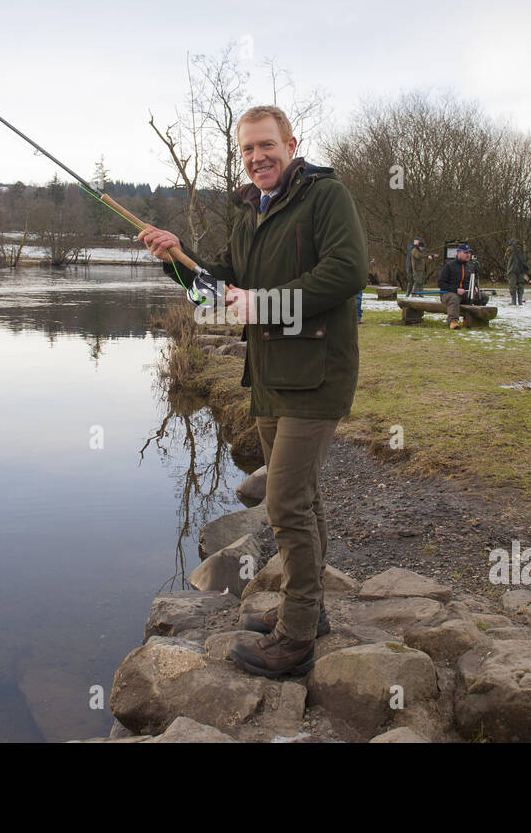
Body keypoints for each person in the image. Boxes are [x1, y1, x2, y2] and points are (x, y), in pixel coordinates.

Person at [138, 105, 366, 679]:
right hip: (268, 377)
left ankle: (295, 641)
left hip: (317, 376)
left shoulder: (325, 197)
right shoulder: (251, 212)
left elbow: (347, 272)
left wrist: (265, 303)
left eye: (266, 146)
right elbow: (214, 290)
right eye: (246, 150)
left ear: (291, 144)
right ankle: (306, 613)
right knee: (304, 500)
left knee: (286, 502)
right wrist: (174, 258)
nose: (257, 157)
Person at [437, 244, 486, 329]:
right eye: (465, 252)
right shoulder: (449, 266)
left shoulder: (469, 268)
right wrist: (456, 290)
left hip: (464, 294)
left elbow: (470, 283)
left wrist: (474, 288)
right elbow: (441, 283)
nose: (468, 255)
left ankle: (472, 318)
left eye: (469, 253)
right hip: (448, 293)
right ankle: (453, 321)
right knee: (454, 298)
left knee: (483, 297)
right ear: (458, 253)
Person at [505, 239, 530, 306]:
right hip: (521, 270)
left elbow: (506, 258)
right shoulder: (523, 249)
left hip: (512, 270)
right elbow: (527, 258)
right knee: (520, 285)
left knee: (512, 285)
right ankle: (520, 301)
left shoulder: (510, 248)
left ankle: (513, 301)